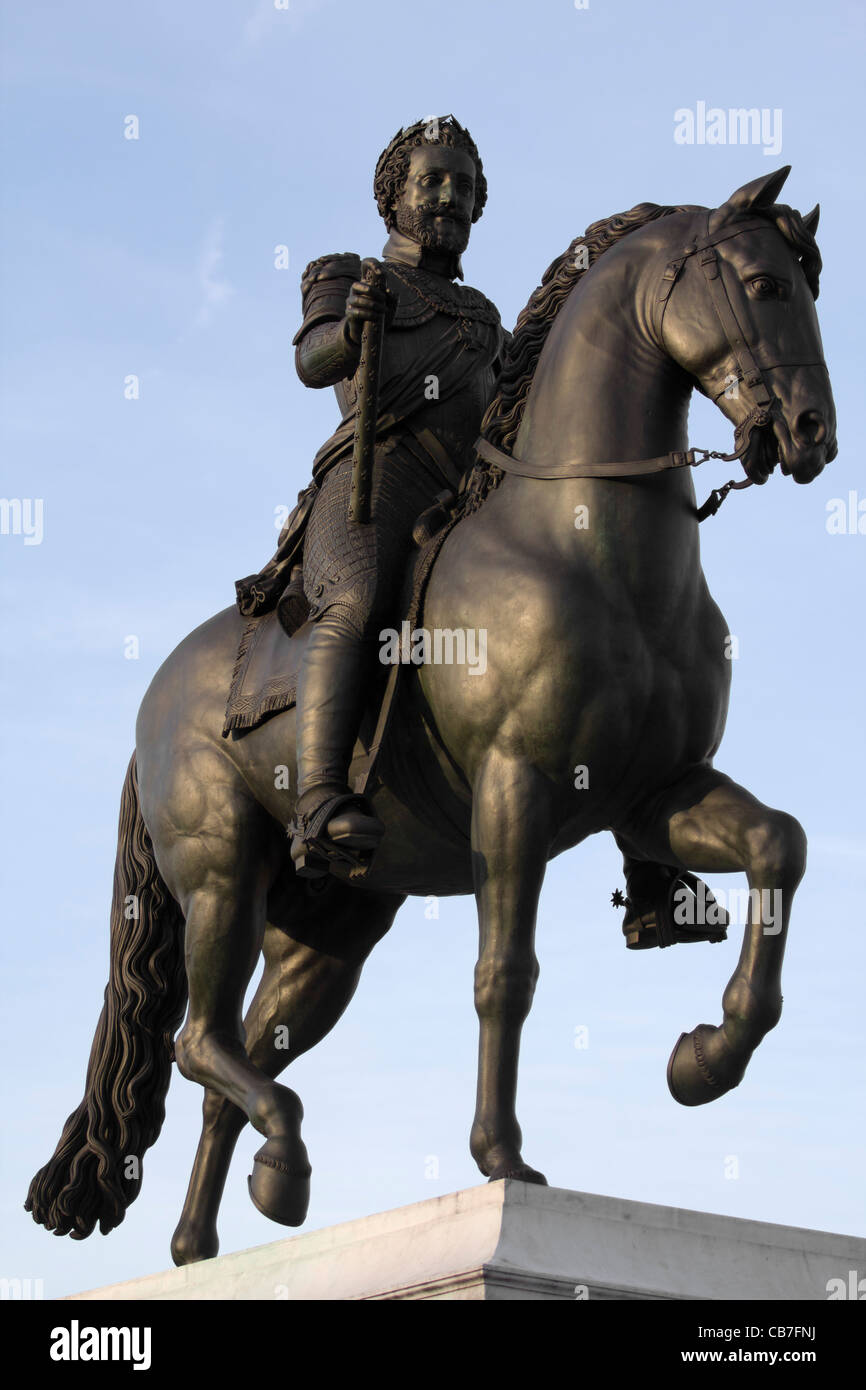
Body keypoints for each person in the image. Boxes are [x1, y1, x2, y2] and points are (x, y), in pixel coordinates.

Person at [251, 116, 510, 876]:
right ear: (393, 197)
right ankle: (319, 802)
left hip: (468, 497)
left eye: (464, 187)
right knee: (358, 597)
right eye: (432, 181)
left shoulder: (487, 319)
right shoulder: (352, 273)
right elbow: (312, 357)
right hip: (377, 475)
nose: (450, 197)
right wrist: (351, 330)